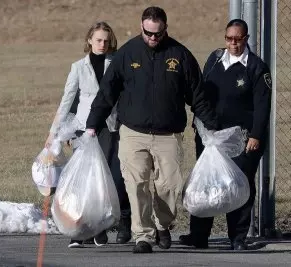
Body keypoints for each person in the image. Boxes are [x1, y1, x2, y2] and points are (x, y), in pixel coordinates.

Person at [85, 6, 218, 253]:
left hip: (168, 134)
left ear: (165, 29)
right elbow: (107, 93)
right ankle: (143, 236)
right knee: (137, 185)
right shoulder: (127, 54)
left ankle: (163, 225)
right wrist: (92, 125)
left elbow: (197, 95)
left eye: (158, 34)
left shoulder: (180, 55)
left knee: (169, 185)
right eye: (148, 33)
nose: (153, 38)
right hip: (133, 133)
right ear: (141, 28)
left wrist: (211, 127)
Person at [179, 19, 272, 250]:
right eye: (229, 38)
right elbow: (202, 92)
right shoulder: (215, 59)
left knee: (238, 185)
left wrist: (256, 135)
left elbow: (262, 106)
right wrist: (199, 123)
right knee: (206, 183)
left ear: (246, 39)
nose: (233, 44)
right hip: (211, 136)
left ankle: (237, 238)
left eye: (238, 39)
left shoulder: (256, 68)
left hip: (241, 139)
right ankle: (199, 235)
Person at [45, 21, 132, 248]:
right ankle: (81, 231)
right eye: (98, 40)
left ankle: (110, 223)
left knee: (112, 178)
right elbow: (67, 101)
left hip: (110, 127)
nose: (102, 44)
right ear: (89, 41)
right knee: (84, 180)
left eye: (106, 40)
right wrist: (54, 133)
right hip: (84, 129)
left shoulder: (117, 64)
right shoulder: (78, 67)